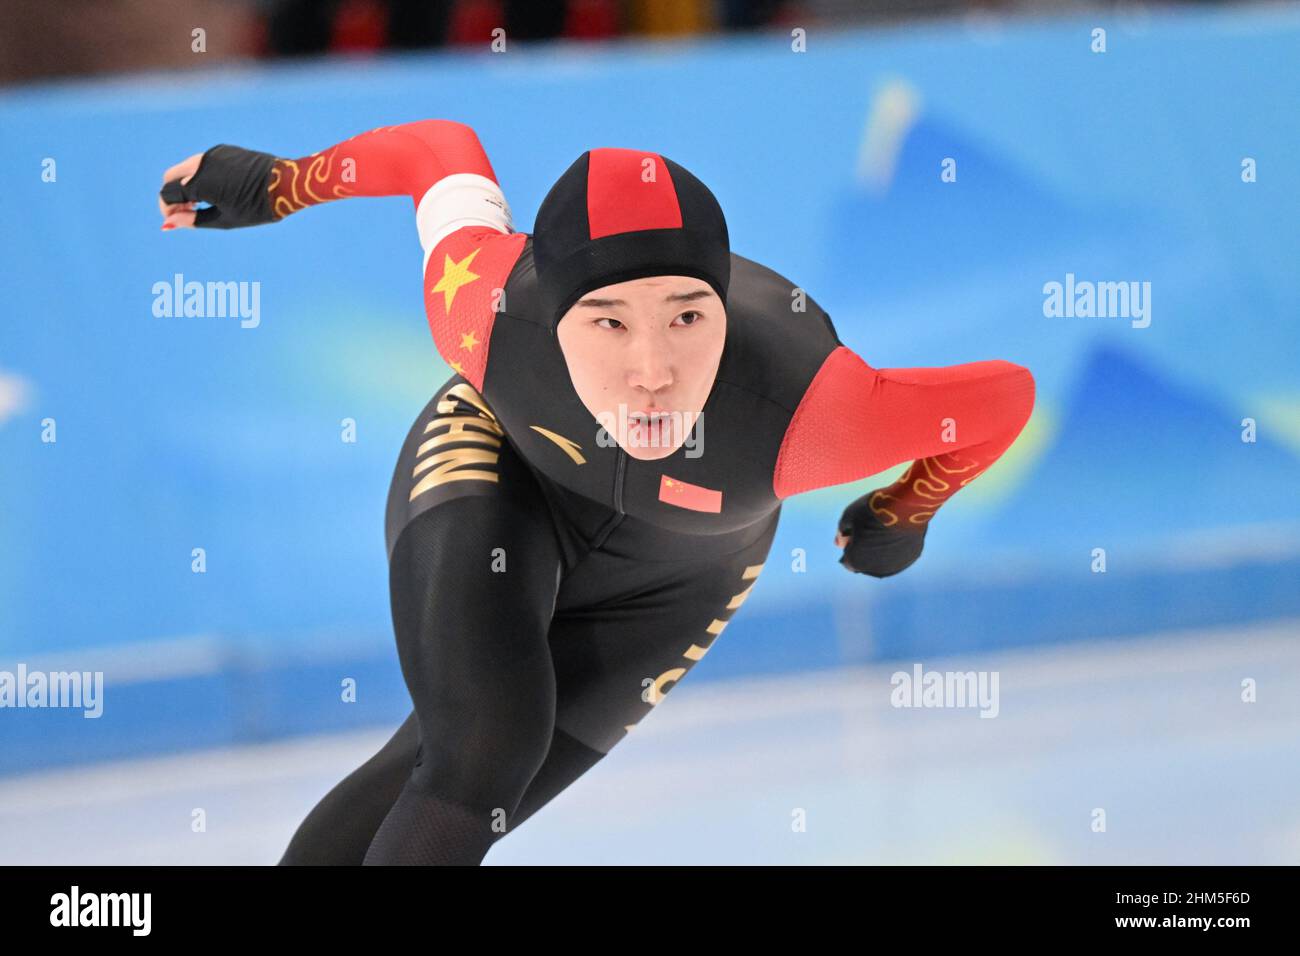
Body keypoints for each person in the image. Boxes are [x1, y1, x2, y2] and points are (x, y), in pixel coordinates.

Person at [158, 119, 1036, 865]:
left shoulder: (813, 412)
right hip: (505, 469)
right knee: (483, 747)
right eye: (608, 322)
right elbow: (439, 150)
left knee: (450, 780)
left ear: (725, 309)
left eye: (688, 315)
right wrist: (279, 184)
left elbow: (1004, 401)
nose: (651, 371)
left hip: (680, 575)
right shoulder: (484, 310)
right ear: (551, 312)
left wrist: (907, 509)